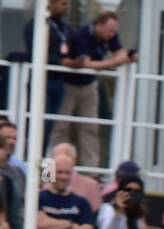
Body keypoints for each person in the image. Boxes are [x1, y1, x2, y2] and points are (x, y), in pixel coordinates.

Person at [59, 11, 136, 170]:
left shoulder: (110, 35)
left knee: (90, 128)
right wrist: (114, 62)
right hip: (68, 85)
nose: (113, 34)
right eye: (110, 30)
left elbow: (119, 51)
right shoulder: (82, 35)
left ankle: (91, 171)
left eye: (115, 31)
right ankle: (51, 172)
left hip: (89, 85)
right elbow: (87, 64)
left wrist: (126, 56)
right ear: (98, 25)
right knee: (60, 127)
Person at [24, 0, 81, 147]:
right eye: (63, 4)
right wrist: (60, 62)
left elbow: (73, 48)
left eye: (68, 4)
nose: (66, 7)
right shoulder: (36, 25)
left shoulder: (66, 28)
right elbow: (35, 52)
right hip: (41, 79)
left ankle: (41, 154)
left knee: (50, 124)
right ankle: (29, 152)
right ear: (50, 4)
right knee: (35, 121)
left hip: (59, 81)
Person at [49, 143, 101, 212]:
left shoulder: (91, 186)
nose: (61, 162)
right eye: (57, 159)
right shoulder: (46, 186)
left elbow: (94, 217)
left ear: (74, 160)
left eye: (65, 158)